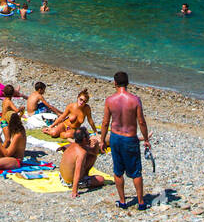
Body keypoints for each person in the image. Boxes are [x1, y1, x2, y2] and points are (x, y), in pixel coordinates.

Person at [100, 71, 152, 210]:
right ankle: (141, 202)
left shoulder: (110, 100)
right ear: (128, 83)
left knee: (118, 171)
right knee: (136, 172)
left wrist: (102, 141)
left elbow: (105, 123)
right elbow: (141, 121)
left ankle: (122, 201)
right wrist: (146, 139)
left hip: (116, 138)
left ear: (115, 83)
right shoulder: (135, 100)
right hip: (130, 138)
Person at [61, 126, 105, 198]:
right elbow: (77, 172)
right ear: (84, 139)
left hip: (62, 177)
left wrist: (96, 144)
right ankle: (82, 180)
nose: (90, 137)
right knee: (101, 179)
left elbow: (94, 153)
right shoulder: (81, 152)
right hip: (69, 182)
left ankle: (84, 176)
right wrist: (74, 191)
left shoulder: (74, 145)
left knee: (91, 156)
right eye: (88, 135)